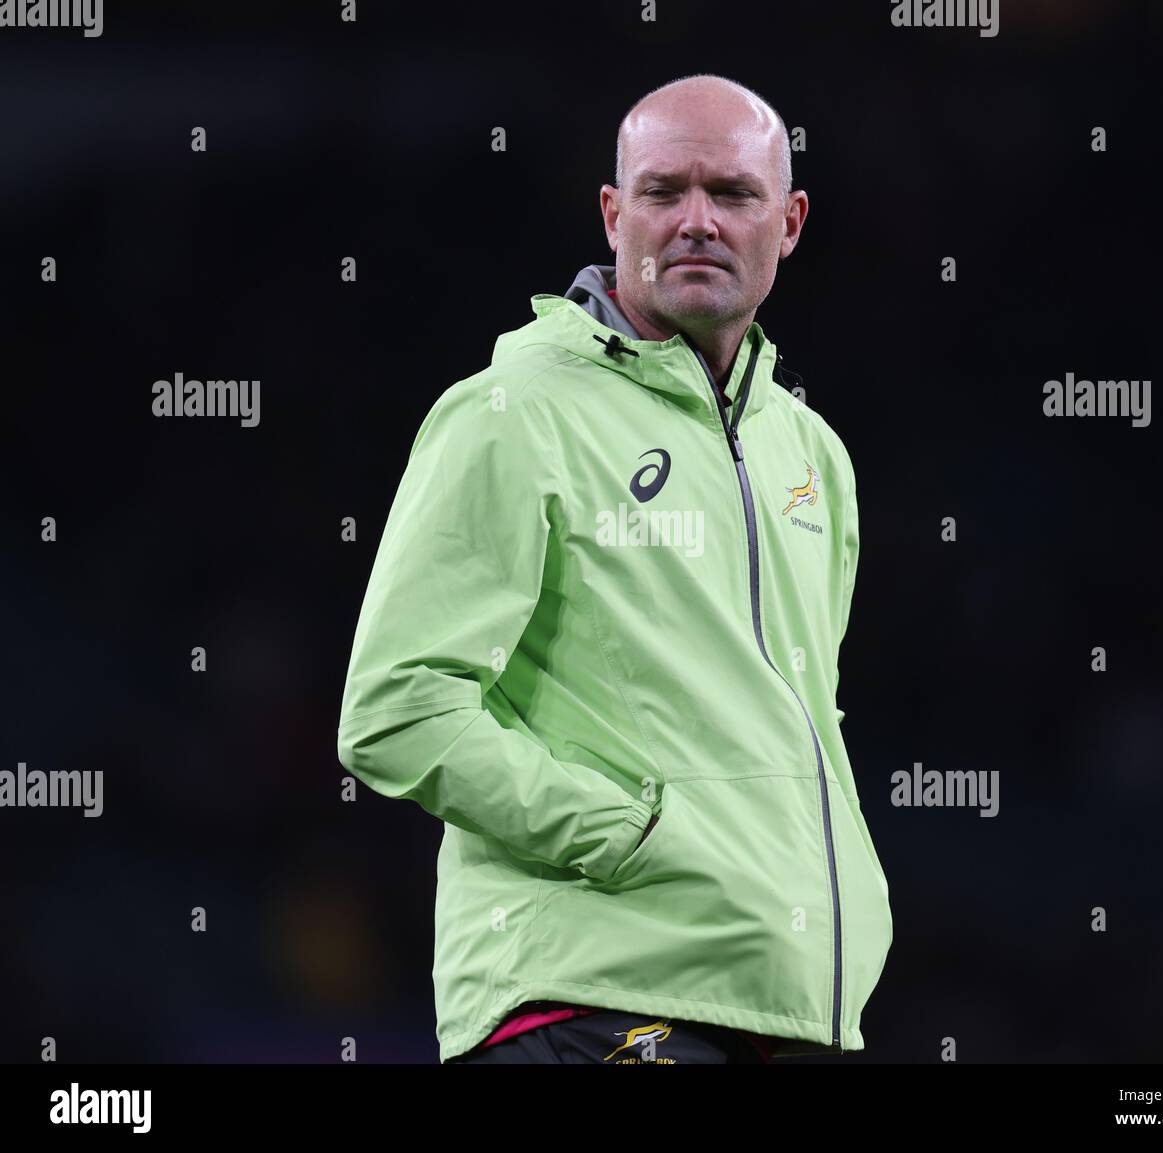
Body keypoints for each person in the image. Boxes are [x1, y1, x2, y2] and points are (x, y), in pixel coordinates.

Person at [337, 73, 892, 1065]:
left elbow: (799, 719)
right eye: (662, 191)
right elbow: (396, 710)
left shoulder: (811, 456)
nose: (694, 222)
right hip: (585, 995)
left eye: (730, 194)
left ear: (791, 220)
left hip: (778, 1005)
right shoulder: (513, 413)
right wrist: (627, 834)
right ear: (612, 214)